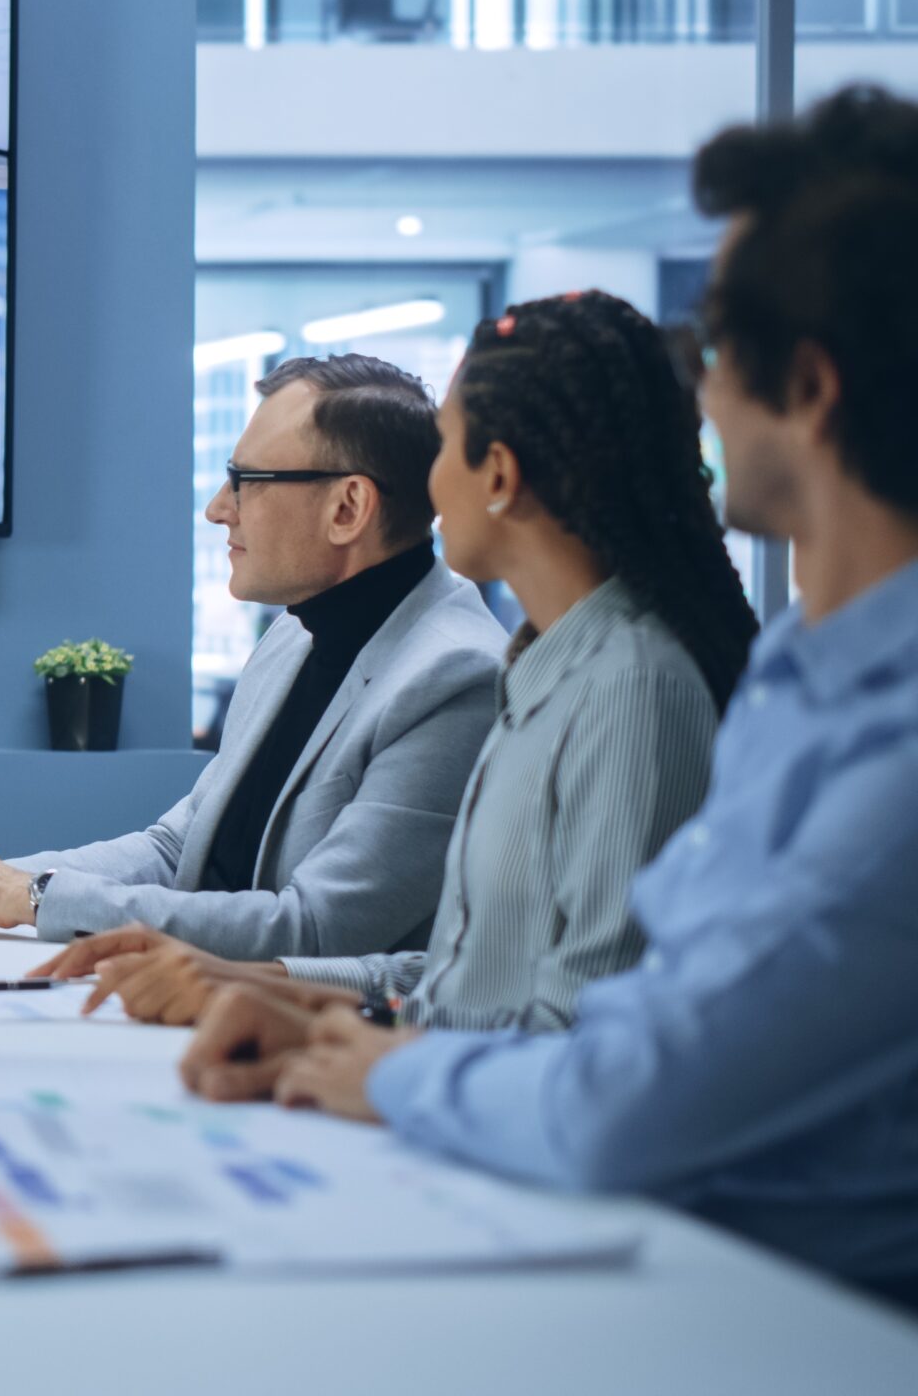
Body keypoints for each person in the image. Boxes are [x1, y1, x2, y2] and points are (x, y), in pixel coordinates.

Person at [179, 85, 918, 1310]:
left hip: (760, 1300)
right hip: (640, 1230)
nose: (703, 398)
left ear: (810, 388)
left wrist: (381, 1066)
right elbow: (547, 994)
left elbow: (627, 1080)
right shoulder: (796, 676)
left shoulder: (826, 731)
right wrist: (324, 1015)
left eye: (720, 349)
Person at [43, 291, 754, 1029]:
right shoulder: (544, 670)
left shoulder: (627, 687)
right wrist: (260, 983)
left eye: (444, 448)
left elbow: (583, 1028)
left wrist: (357, 1045)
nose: (426, 486)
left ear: (499, 475)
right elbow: (454, 976)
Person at [0, 355, 506, 957]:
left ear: (348, 507)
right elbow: (177, 848)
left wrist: (30, 898)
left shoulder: (454, 676)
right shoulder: (294, 634)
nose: (218, 510)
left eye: (245, 481)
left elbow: (317, 930)